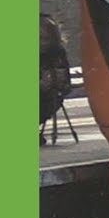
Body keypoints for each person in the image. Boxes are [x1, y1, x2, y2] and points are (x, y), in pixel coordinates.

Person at [40, 13, 74, 145]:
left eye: (46, 38)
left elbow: (65, 80)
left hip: (50, 95)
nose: (43, 42)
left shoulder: (57, 53)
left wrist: (57, 84)